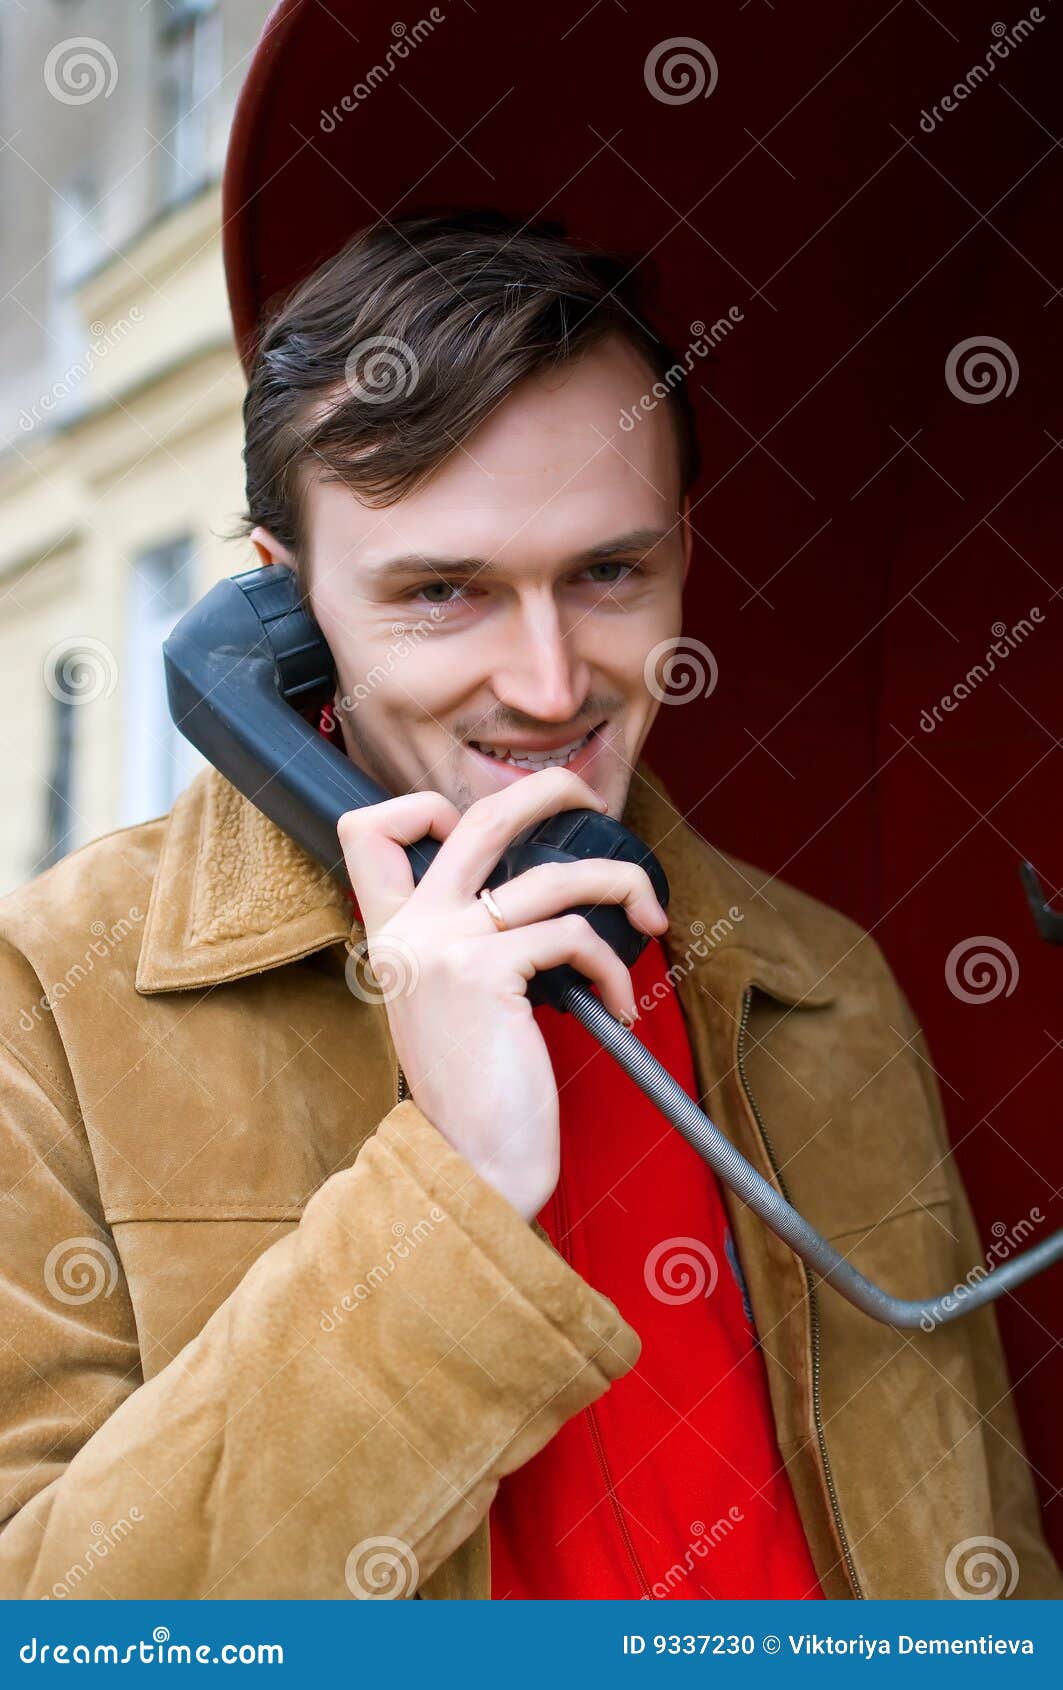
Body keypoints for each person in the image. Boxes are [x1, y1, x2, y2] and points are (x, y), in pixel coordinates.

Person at [0, 211, 1057, 1601]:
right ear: (282, 608)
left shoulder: (818, 981)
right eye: (447, 592)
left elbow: (984, 1562)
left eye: (609, 574)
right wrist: (455, 1192)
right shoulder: (60, 998)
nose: (554, 685)